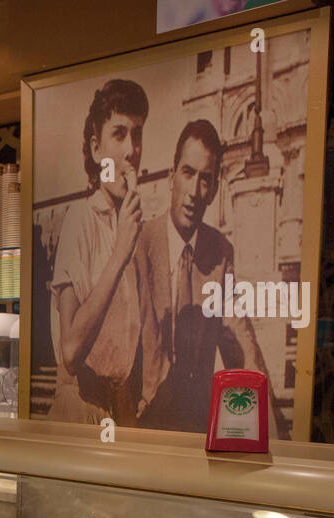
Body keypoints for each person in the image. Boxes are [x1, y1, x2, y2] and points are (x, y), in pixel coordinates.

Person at [134, 119, 276, 433]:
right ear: (172, 178)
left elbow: (242, 343)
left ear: (213, 190)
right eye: (188, 173)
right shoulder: (138, 246)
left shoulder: (220, 253)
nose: (195, 191)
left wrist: (272, 435)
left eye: (205, 180)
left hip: (193, 431)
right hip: (140, 428)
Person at [49, 78, 149, 425]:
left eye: (137, 134)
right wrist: (121, 252)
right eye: (119, 134)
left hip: (116, 414)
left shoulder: (127, 226)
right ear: (95, 150)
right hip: (80, 413)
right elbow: (71, 351)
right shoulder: (80, 218)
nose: (131, 150)